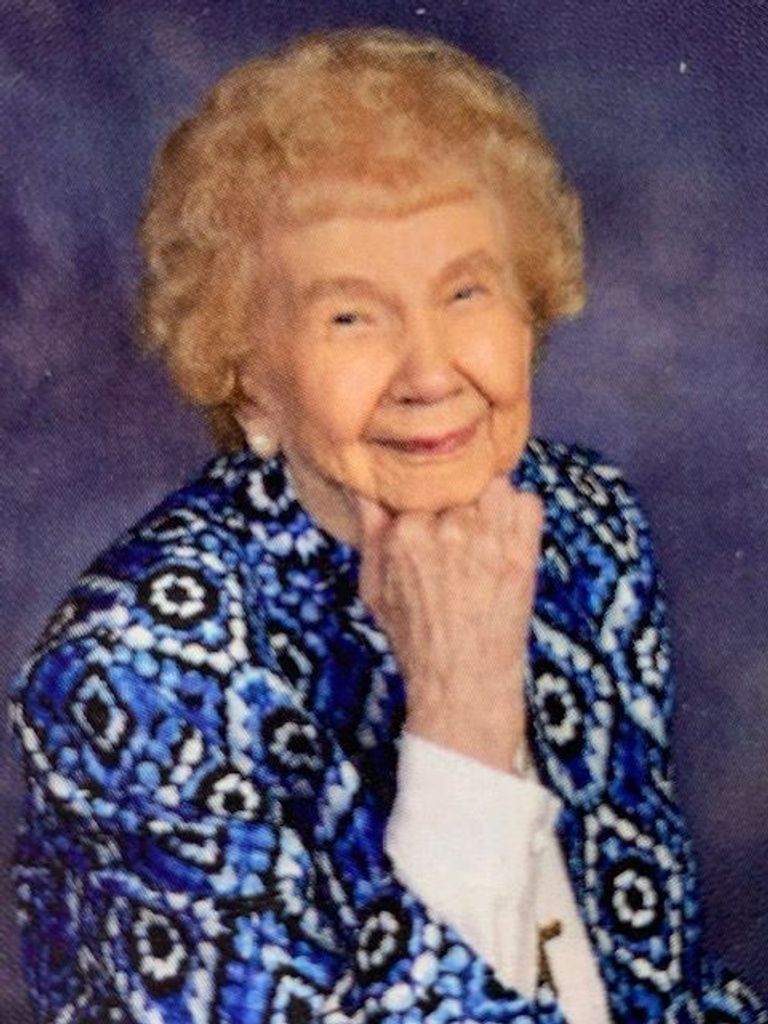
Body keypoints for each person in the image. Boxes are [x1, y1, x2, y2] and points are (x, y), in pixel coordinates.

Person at [7, 24, 766, 1024]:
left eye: (466, 292)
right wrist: (461, 720)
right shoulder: (131, 669)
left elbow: (649, 981)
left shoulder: (584, 525)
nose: (431, 372)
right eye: (351, 316)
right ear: (247, 379)